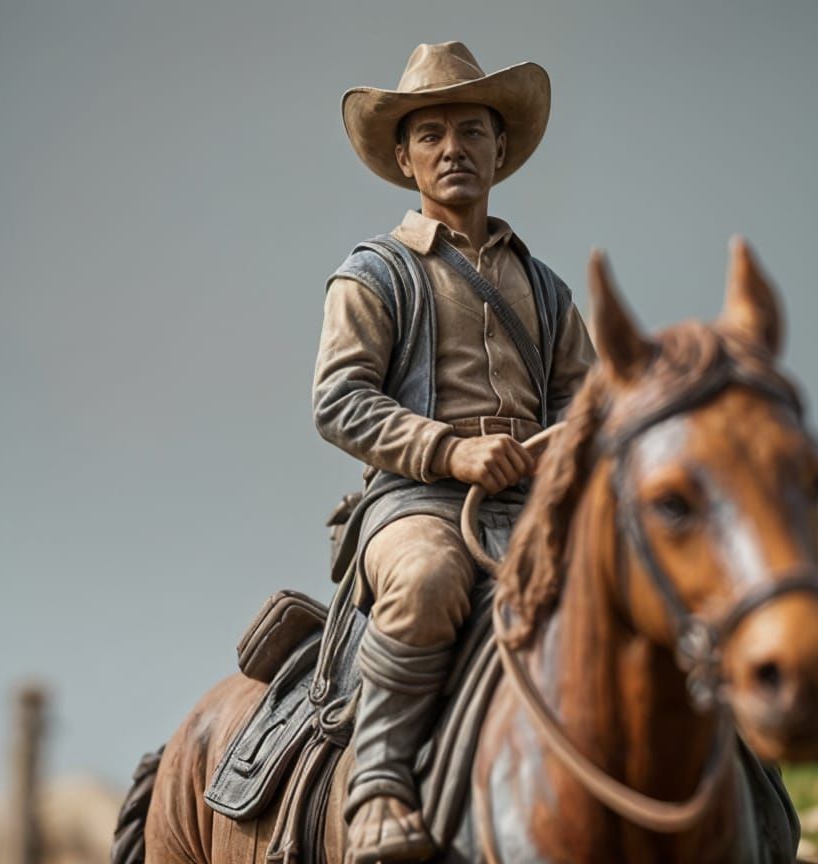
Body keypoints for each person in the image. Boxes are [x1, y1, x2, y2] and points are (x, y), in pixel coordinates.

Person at [313, 41, 595, 864]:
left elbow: (585, 401)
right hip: (415, 505)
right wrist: (450, 452)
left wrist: (566, 452)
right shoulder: (373, 276)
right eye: (430, 134)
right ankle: (378, 785)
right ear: (403, 158)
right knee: (430, 579)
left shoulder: (546, 290)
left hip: (537, 508)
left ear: (500, 149)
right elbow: (339, 401)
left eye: (471, 130)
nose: (453, 149)